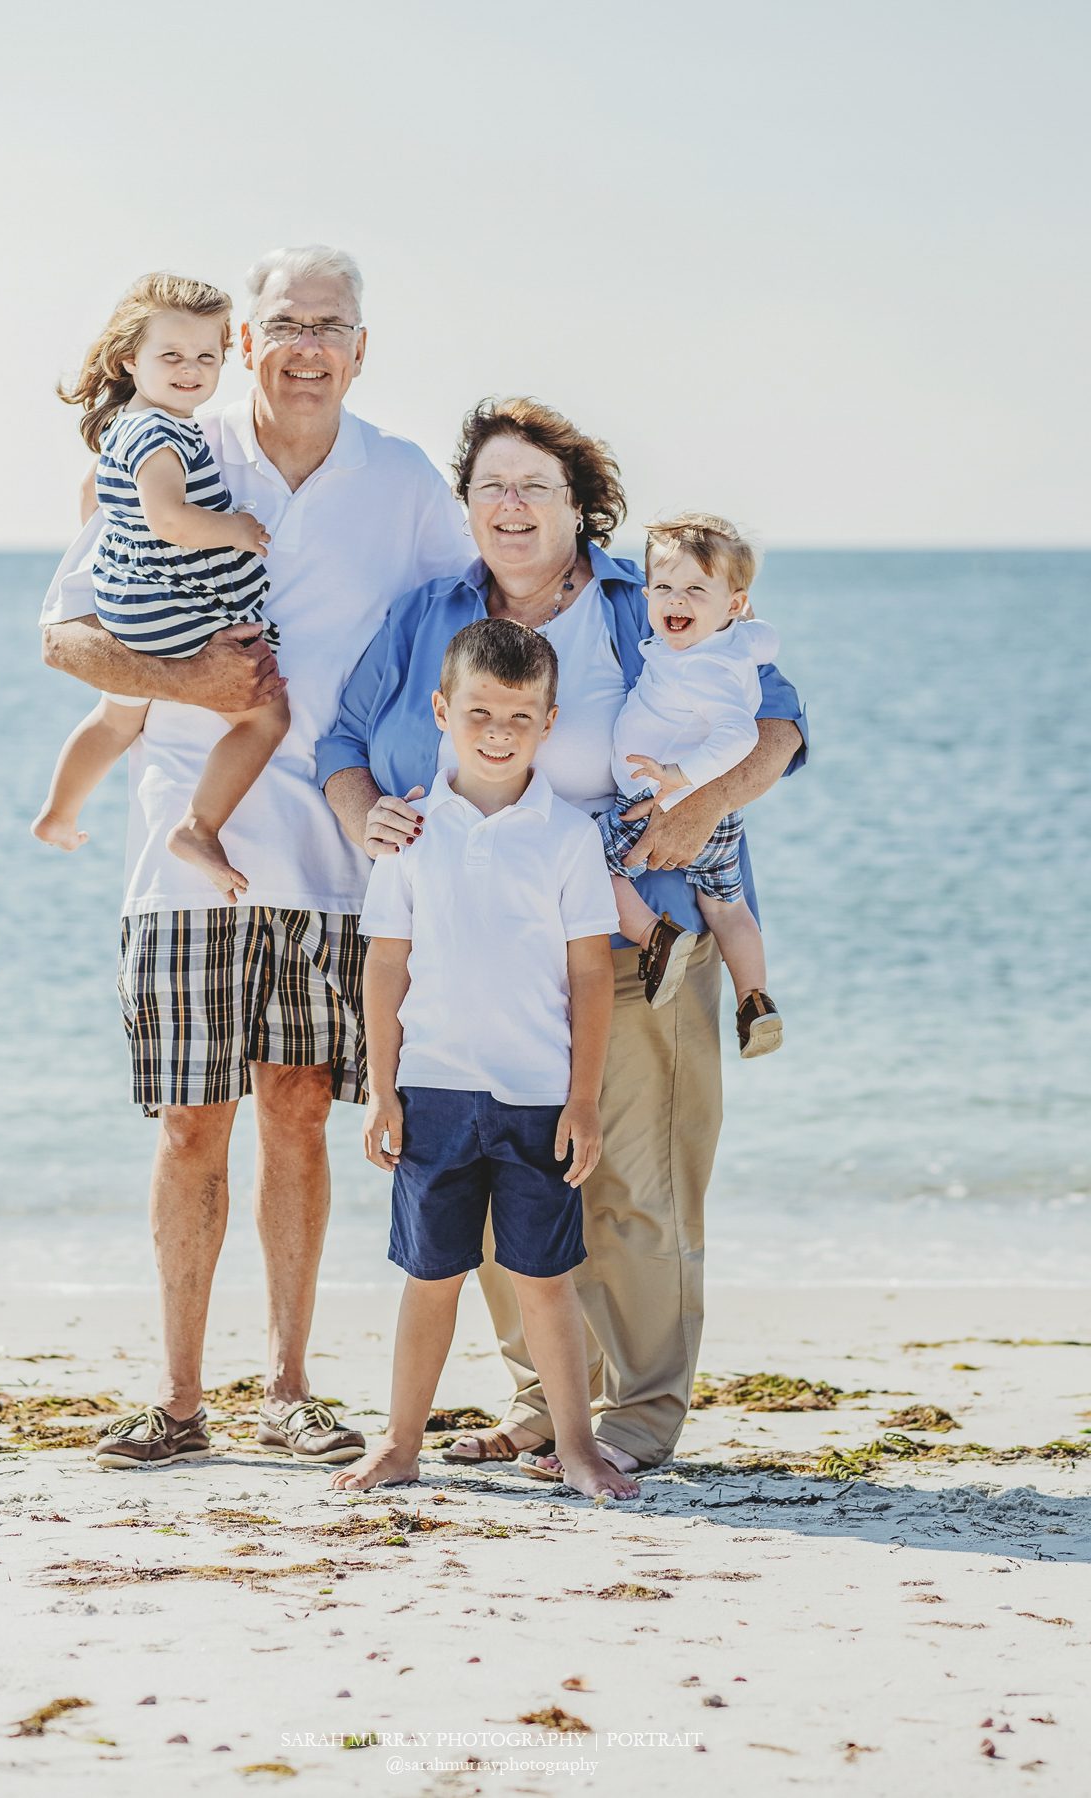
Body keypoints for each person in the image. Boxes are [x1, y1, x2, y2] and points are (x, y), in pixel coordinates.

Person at [317, 397, 807, 1478]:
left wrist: (699, 810)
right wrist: (368, 819)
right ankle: (549, 1399)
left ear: (583, 507)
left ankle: (638, 1414)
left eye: (537, 485)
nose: (512, 505)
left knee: (635, 1181)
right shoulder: (429, 614)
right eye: (491, 485)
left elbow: (779, 722)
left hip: (642, 943)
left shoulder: (649, 603)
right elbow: (344, 740)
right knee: (507, 1186)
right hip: (482, 963)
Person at [38, 245, 469, 1470]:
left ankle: (288, 1389)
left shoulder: (401, 480)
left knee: (298, 1116)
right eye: (286, 320)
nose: (308, 343)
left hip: (340, 848)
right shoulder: (182, 443)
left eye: (332, 323)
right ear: (247, 341)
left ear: (362, 347)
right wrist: (187, 680)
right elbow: (63, 636)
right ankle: (180, 1401)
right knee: (190, 1123)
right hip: (189, 828)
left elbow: (476, 620)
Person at [332, 619, 638, 1501]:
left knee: (545, 1281)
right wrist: (377, 1090)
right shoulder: (411, 834)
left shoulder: (569, 837)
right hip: (431, 1095)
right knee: (432, 1280)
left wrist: (583, 1102)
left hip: (539, 1098)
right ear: (442, 710)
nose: (498, 731)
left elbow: (589, 971)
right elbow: (384, 962)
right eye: (479, 712)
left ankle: (577, 1447)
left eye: (518, 714)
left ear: (548, 722)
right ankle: (399, 1446)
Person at [33, 273, 287, 904]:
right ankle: (199, 827)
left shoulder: (125, 426)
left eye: (206, 356)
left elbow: (94, 505)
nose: (190, 370)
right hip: (167, 607)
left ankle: (59, 813)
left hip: (129, 605)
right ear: (131, 360)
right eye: (171, 356)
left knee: (118, 717)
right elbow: (167, 518)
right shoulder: (162, 434)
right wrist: (234, 530)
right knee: (266, 717)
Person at [594, 512, 784, 1058]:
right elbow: (766, 641)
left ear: (732, 603)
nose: (676, 601)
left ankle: (655, 935)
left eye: (696, 590)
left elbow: (739, 732)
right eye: (664, 588)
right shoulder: (737, 642)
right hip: (720, 820)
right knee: (727, 907)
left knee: (589, 859)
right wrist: (745, 627)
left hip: (656, 804)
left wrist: (680, 776)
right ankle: (755, 1001)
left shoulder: (698, 669)